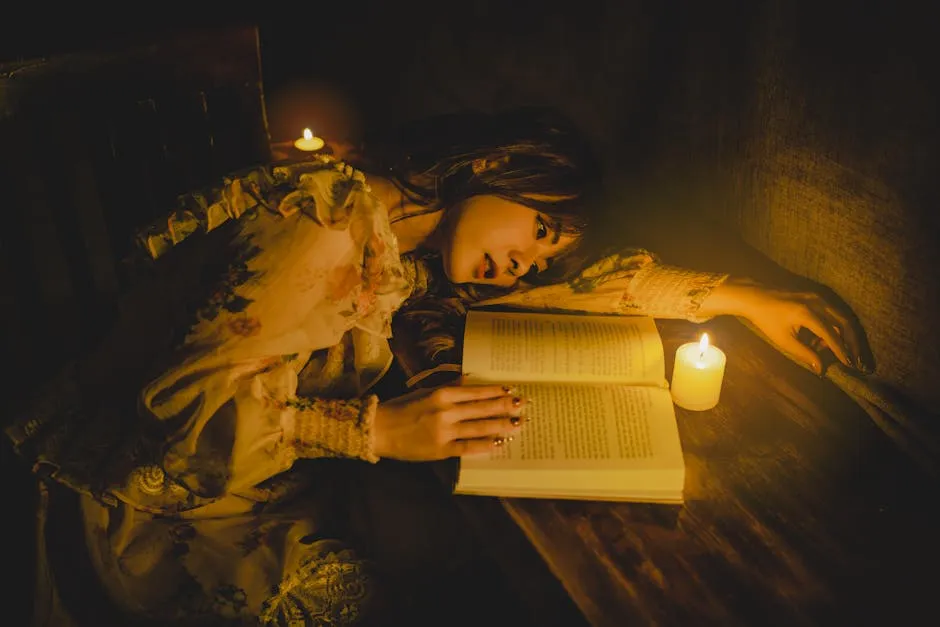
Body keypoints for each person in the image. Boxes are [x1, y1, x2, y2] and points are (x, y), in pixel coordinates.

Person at [5, 106, 869, 626]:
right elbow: (181, 409)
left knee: (448, 549)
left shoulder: (406, 244)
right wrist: (372, 427)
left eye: (542, 255)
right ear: (494, 166)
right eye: (536, 230)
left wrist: (734, 296)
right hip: (150, 494)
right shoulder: (327, 225)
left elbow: (582, 293)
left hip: (264, 473)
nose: (525, 265)